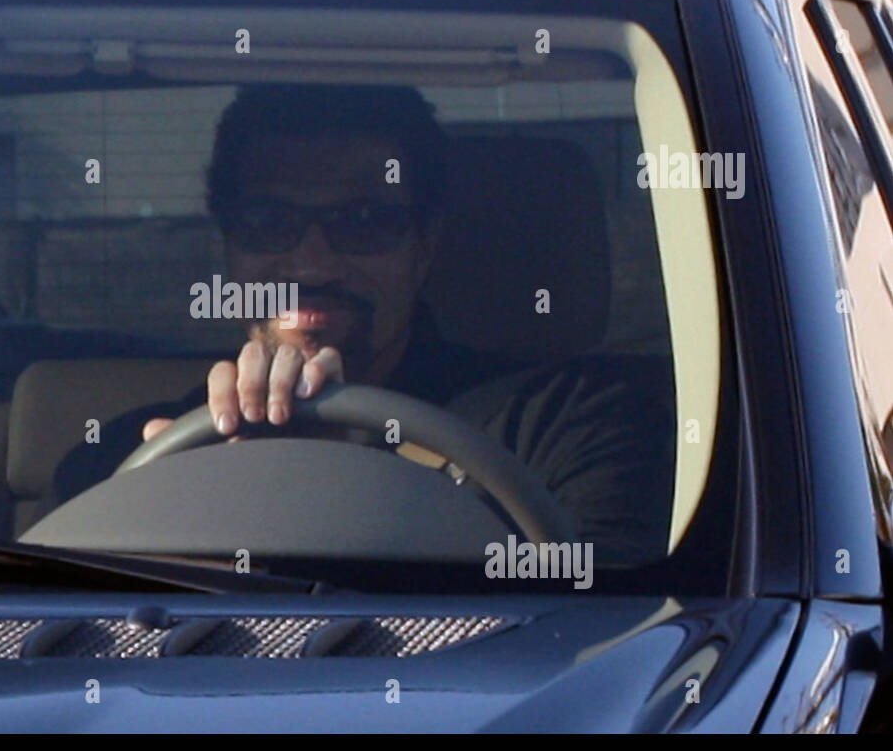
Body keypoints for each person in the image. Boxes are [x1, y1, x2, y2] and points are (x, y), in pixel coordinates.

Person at [53, 84, 674, 566]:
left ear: (424, 247)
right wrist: (191, 508)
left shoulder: (569, 428)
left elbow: (610, 633)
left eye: (365, 220)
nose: (312, 263)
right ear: (229, 247)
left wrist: (346, 479)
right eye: (269, 222)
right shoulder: (127, 459)